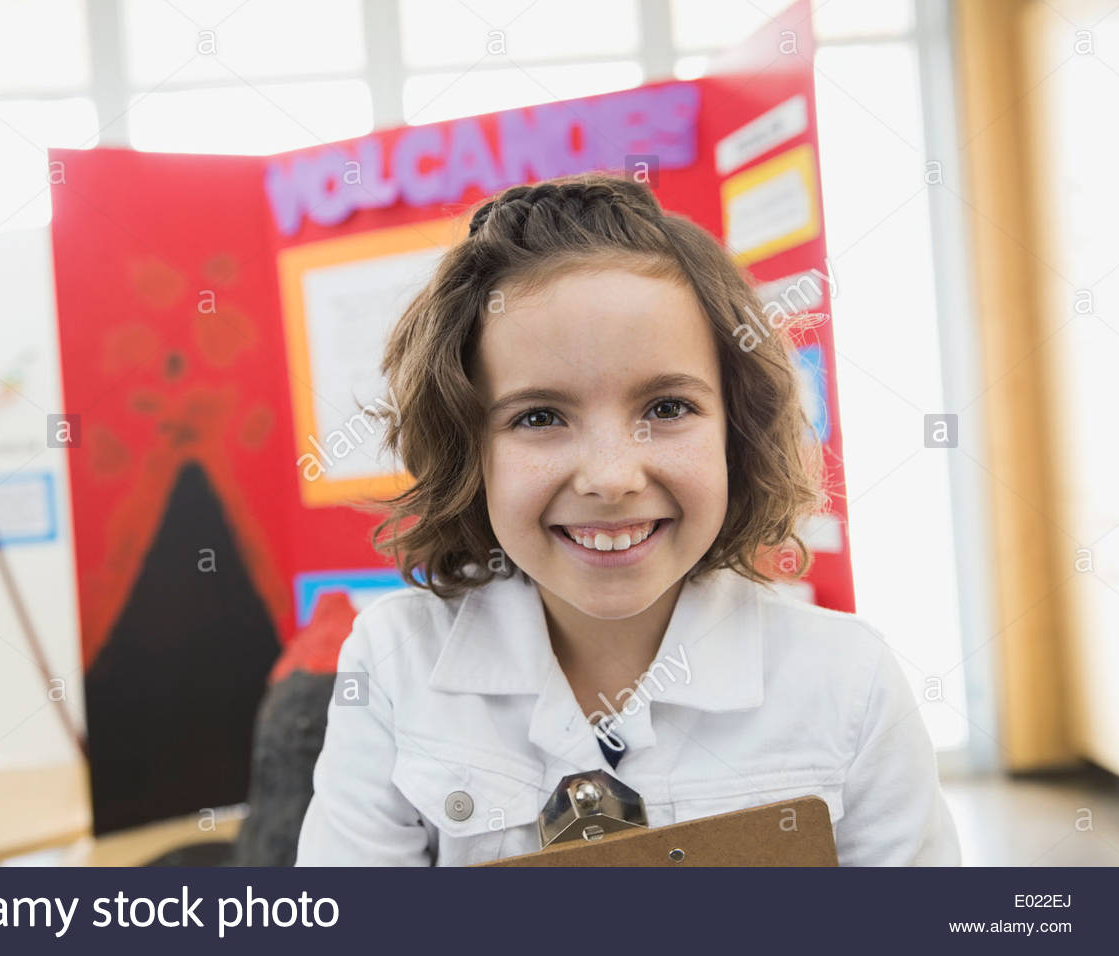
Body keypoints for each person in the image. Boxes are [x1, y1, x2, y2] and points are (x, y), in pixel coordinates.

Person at [294, 172, 961, 867]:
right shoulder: (394, 664)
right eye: (539, 417)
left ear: (737, 431)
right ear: (469, 448)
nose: (612, 477)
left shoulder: (851, 682)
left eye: (667, 408)